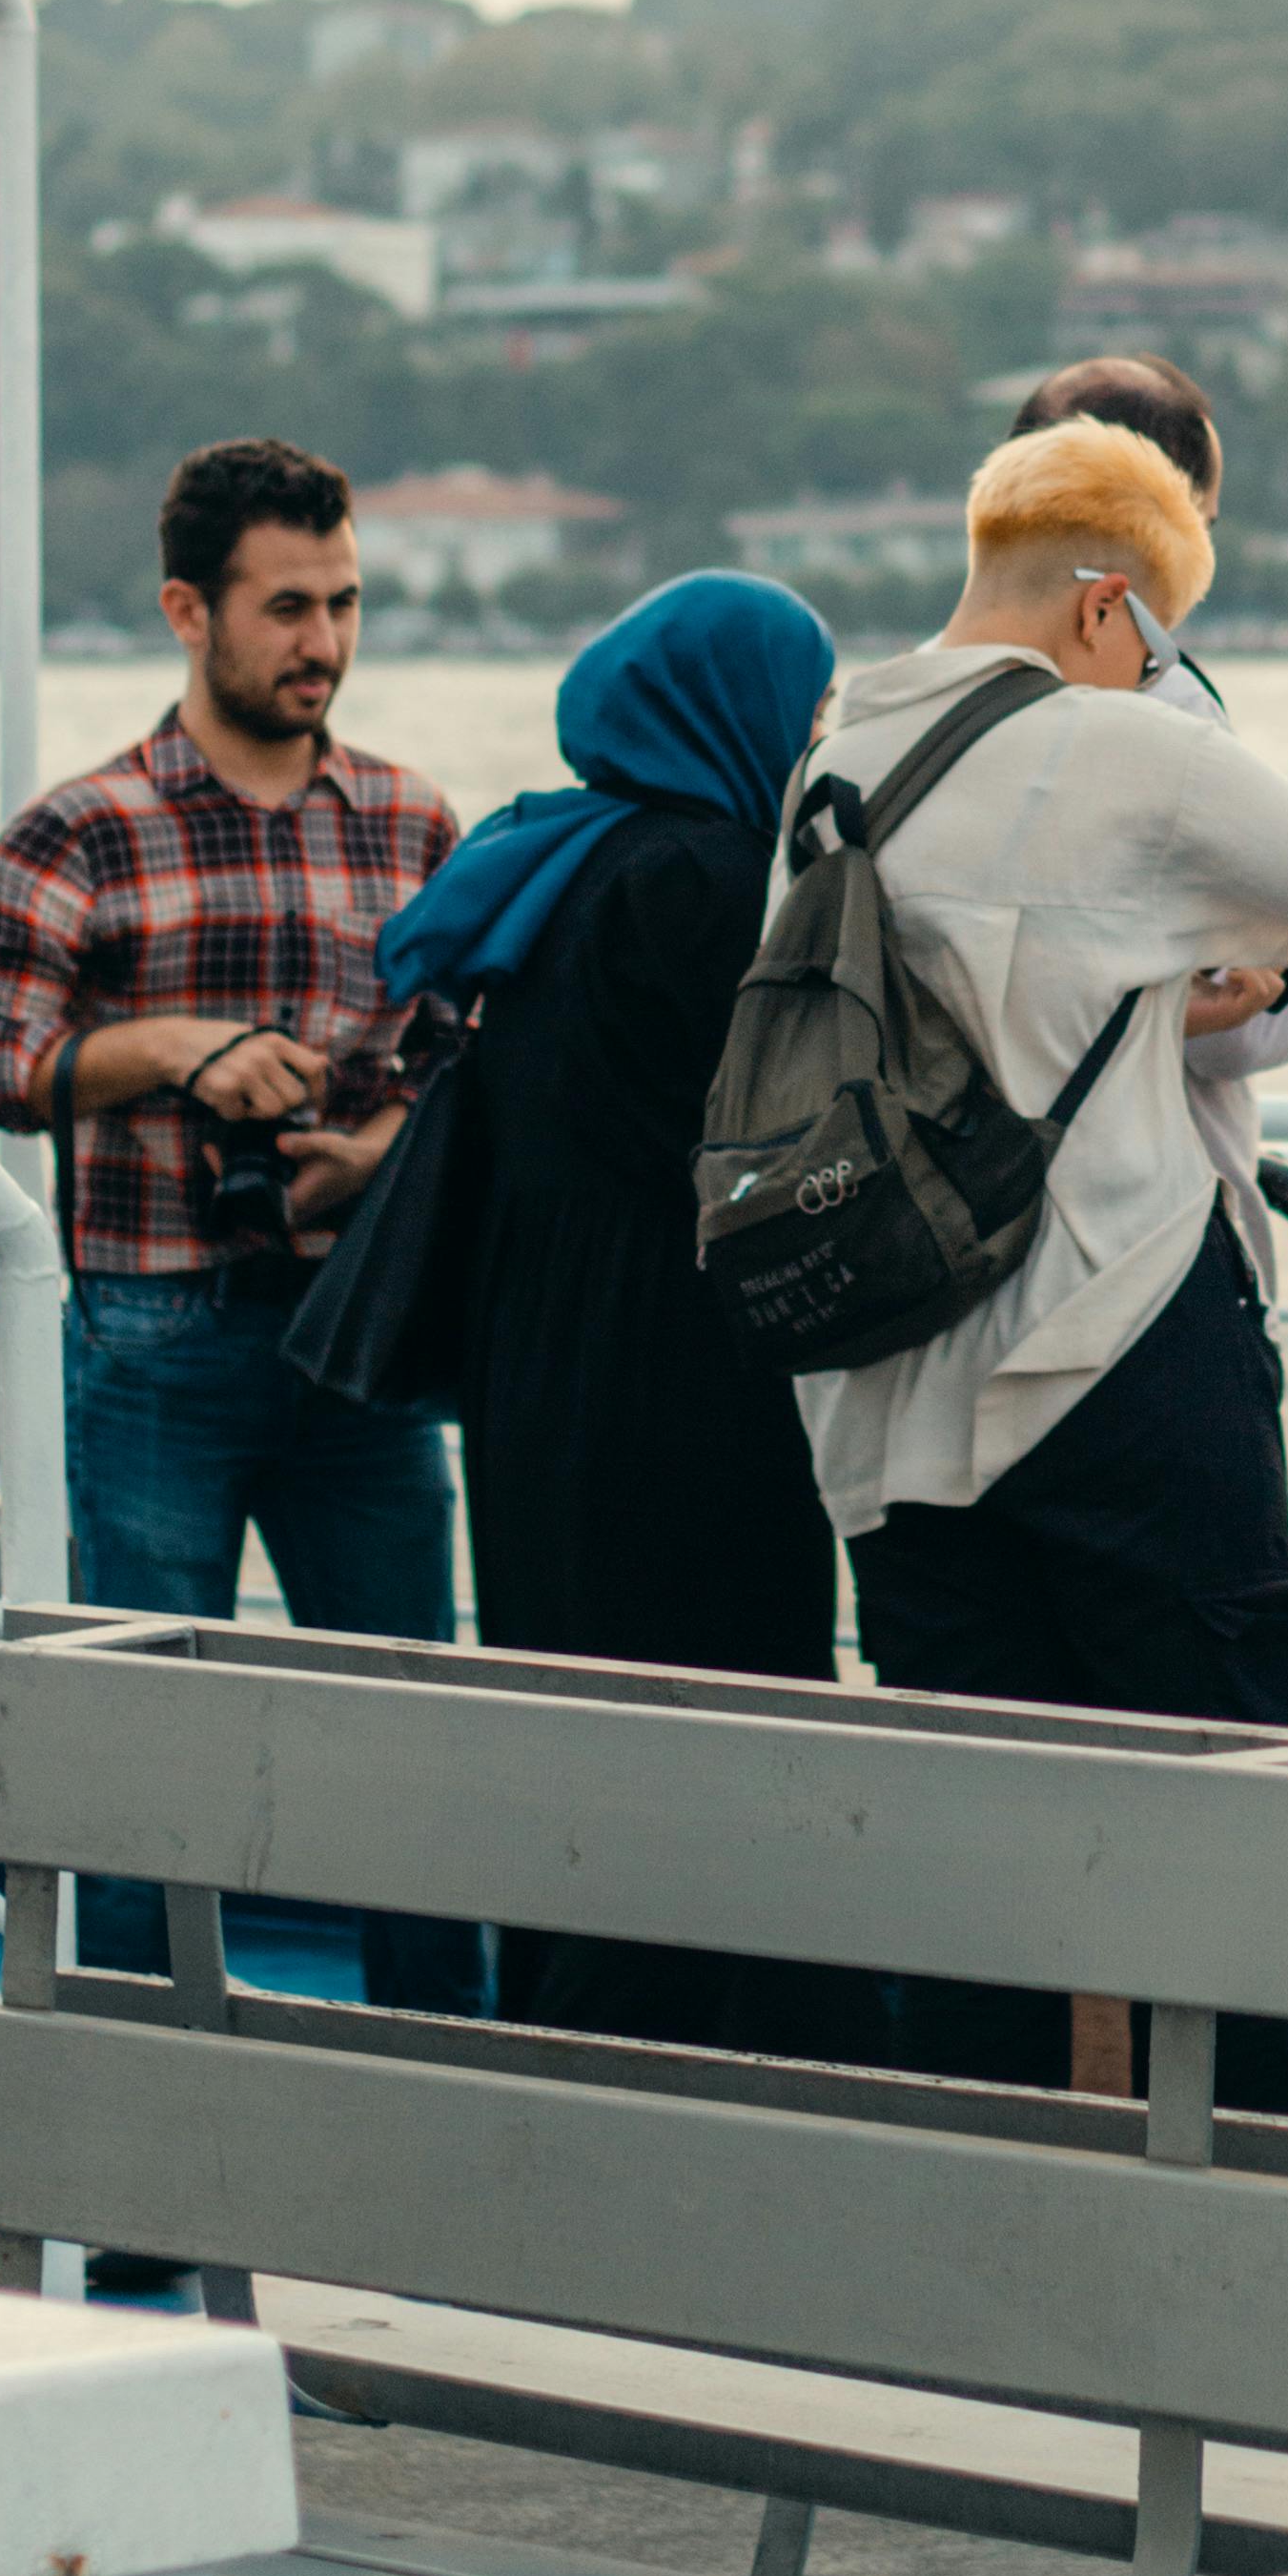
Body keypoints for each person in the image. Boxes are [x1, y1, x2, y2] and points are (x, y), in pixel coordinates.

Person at [796, 413, 1288, 2096]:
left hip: (894, 1382)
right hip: (1112, 1348)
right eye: (1160, 637)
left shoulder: (837, 750)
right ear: (1105, 607)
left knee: (983, 1868)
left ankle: (996, 2256)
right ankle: (1223, 2230)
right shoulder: (1119, 749)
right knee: (1233, 1814)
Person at [0, 433, 477, 2030]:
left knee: (412, 1745)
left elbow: (464, 1077)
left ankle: (433, 2090)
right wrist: (176, 1053)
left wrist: (361, 1151)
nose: (323, 642)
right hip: (152, 1336)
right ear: (190, 610)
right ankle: (131, 2118)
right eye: (288, 606)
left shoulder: (408, 822)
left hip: (360, 1345)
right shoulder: (80, 832)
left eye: (346, 603)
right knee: (136, 1759)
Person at [379, 567, 873, 2056]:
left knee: (568, 1722)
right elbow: (755, 1132)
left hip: (541, 1366)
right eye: (813, 701)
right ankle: (708, 2066)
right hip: (678, 1372)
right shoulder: (708, 879)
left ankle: (565, 2051)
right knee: (719, 1713)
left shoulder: (556, 862)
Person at [1008, 351, 1288, 1283]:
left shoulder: (912, 701)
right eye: (1201, 523)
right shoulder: (1164, 713)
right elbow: (1229, 1028)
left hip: (962, 1259)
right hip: (1143, 1257)